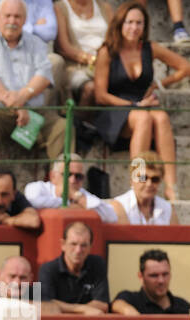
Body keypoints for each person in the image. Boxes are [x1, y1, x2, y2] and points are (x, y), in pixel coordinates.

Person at [92, 1, 190, 199]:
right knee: (143, 118)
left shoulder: (149, 48)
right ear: (120, 24)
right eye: (129, 22)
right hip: (116, 108)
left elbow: (185, 67)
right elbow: (100, 95)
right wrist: (134, 105)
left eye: (139, 23)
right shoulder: (107, 51)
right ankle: (137, 180)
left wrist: (158, 85)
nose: (134, 28)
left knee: (161, 117)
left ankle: (172, 187)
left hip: (143, 105)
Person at [0, 0, 68, 168]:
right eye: (8, 16)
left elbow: (44, 75)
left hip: (31, 112)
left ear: (25, 19)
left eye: (17, 17)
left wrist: (22, 97)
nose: (12, 21)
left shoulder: (34, 42)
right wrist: (14, 102)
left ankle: (59, 184)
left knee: (62, 126)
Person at [38, 220, 108, 314]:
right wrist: (83, 309)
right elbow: (46, 306)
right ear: (63, 245)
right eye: (73, 244)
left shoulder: (97, 264)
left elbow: (102, 305)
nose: (78, 250)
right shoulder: (48, 269)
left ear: (90, 247)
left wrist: (64, 308)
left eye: (83, 245)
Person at [53, 0, 113, 108]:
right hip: (76, 66)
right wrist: (93, 60)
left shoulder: (105, 7)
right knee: (91, 88)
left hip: (108, 63)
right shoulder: (60, 7)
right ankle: (79, 122)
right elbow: (63, 47)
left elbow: (116, 37)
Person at [24, 152, 116, 220]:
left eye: (78, 176)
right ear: (53, 176)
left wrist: (77, 197)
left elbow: (111, 216)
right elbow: (33, 202)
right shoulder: (38, 187)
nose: (73, 180)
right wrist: (68, 205)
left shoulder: (80, 194)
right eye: (67, 175)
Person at [111, 249, 190, 314]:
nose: (161, 280)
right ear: (141, 277)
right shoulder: (131, 299)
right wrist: (127, 310)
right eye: (154, 275)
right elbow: (116, 304)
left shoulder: (182, 306)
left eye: (165, 274)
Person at [108, 152, 178, 224]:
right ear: (132, 180)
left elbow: (178, 234)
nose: (149, 184)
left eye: (155, 179)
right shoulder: (119, 207)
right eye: (143, 178)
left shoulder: (168, 209)